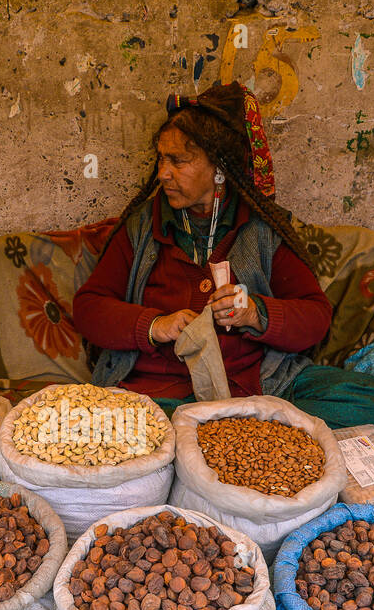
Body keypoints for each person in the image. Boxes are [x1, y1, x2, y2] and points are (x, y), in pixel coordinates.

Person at [72, 82, 334, 408]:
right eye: (161, 159)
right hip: (159, 390)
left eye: (178, 161)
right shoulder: (143, 226)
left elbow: (316, 317)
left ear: (220, 169)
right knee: (156, 426)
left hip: (252, 386)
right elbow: (89, 309)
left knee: (361, 398)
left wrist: (254, 313)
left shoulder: (259, 228)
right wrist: (156, 325)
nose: (163, 174)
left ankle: (224, 435)